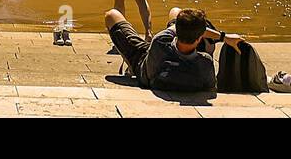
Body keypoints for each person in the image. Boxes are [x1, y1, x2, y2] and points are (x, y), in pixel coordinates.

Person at [104, 5, 245, 94]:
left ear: (177, 31)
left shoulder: (160, 41)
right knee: (176, 11)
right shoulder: (205, 62)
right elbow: (210, 87)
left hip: (144, 63)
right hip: (167, 65)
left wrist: (224, 37)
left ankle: (129, 65)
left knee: (111, 15)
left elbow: (177, 24)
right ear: (199, 39)